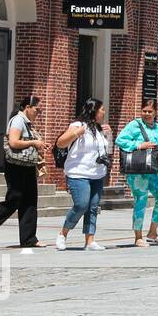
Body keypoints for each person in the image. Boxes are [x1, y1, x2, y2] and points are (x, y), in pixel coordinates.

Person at [0, 96, 48, 248]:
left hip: (26, 166)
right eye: (37, 109)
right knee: (14, 200)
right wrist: (34, 142)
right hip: (16, 167)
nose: (38, 112)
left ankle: (29, 239)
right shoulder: (18, 120)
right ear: (27, 107)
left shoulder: (26, 123)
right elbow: (13, 142)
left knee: (30, 201)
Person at [54, 98, 112, 251]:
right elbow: (60, 143)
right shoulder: (78, 125)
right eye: (102, 109)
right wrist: (75, 133)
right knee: (81, 205)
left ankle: (90, 240)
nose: (104, 112)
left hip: (97, 173)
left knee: (93, 207)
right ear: (94, 111)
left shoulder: (101, 129)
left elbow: (107, 151)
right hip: (78, 172)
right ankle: (62, 234)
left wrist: (109, 135)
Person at [115, 99, 158, 247]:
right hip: (137, 171)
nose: (146, 114)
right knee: (141, 200)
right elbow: (120, 140)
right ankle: (138, 236)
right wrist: (139, 145)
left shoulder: (157, 128)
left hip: (154, 170)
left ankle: (153, 233)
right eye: (144, 111)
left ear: (155, 112)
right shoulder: (135, 125)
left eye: (149, 111)